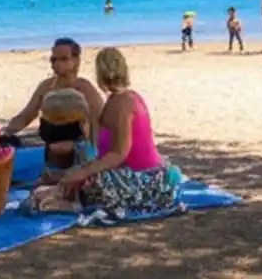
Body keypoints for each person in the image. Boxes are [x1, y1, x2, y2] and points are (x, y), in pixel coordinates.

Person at [57, 48, 181, 218]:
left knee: (88, 179)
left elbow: (119, 153)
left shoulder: (124, 104)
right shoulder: (122, 98)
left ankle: (74, 203)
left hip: (146, 180)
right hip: (134, 173)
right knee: (80, 165)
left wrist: (84, 172)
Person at [4, 38, 105, 174]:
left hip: (77, 157)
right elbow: (26, 116)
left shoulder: (85, 90)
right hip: (49, 153)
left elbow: (100, 128)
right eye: (53, 60)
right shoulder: (46, 87)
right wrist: (4, 133)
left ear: (76, 61)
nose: (56, 64)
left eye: (63, 59)